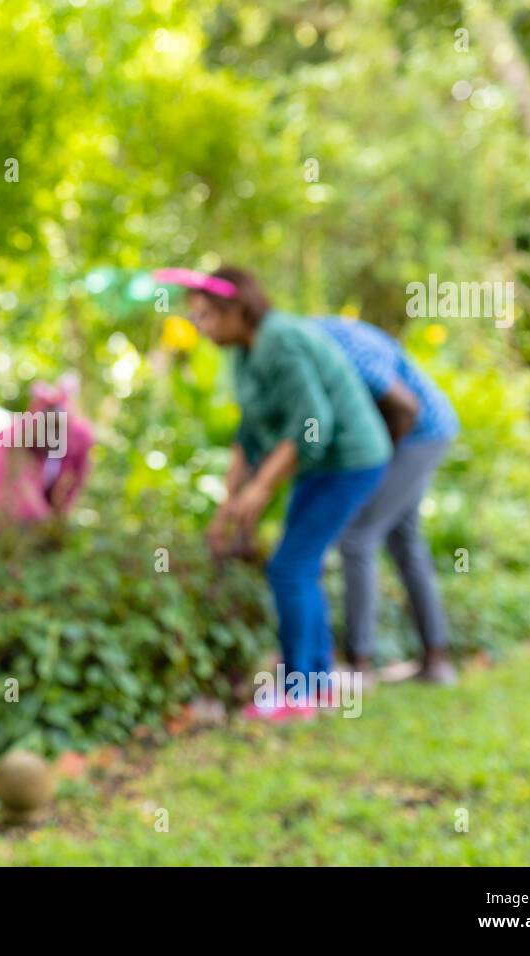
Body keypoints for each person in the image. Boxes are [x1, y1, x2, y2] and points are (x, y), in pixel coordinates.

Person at [154, 266, 391, 721]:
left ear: (236, 310)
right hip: (321, 465)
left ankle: (300, 691)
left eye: (205, 317)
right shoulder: (243, 352)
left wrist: (262, 487)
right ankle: (317, 683)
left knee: (290, 567)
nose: (198, 328)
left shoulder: (280, 341)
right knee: (298, 566)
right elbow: (250, 428)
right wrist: (230, 498)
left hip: (351, 460)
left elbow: (313, 423)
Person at [316, 316, 460, 685]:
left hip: (419, 433)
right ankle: (436, 659)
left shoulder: (339, 350)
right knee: (404, 542)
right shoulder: (318, 335)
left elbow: (405, 406)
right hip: (426, 430)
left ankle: (359, 666)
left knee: (357, 538)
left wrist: (377, 462)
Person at [0, 374, 95, 528]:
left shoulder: (76, 441)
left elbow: (74, 482)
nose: (53, 434)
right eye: (48, 427)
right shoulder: (15, 441)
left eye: (58, 429)